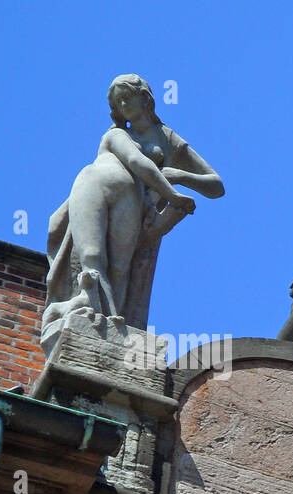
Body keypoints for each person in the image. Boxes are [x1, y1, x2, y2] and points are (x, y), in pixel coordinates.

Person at [43, 74, 224, 335]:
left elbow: (216, 186)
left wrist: (178, 176)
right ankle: (88, 307)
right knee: (92, 257)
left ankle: (109, 323)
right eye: (119, 101)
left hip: (137, 209)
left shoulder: (169, 139)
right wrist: (171, 194)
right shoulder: (116, 135)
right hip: (96, 185)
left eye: (128, 97)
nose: (124, 105)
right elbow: (138, 162)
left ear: (146, 98)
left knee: (119, 271)